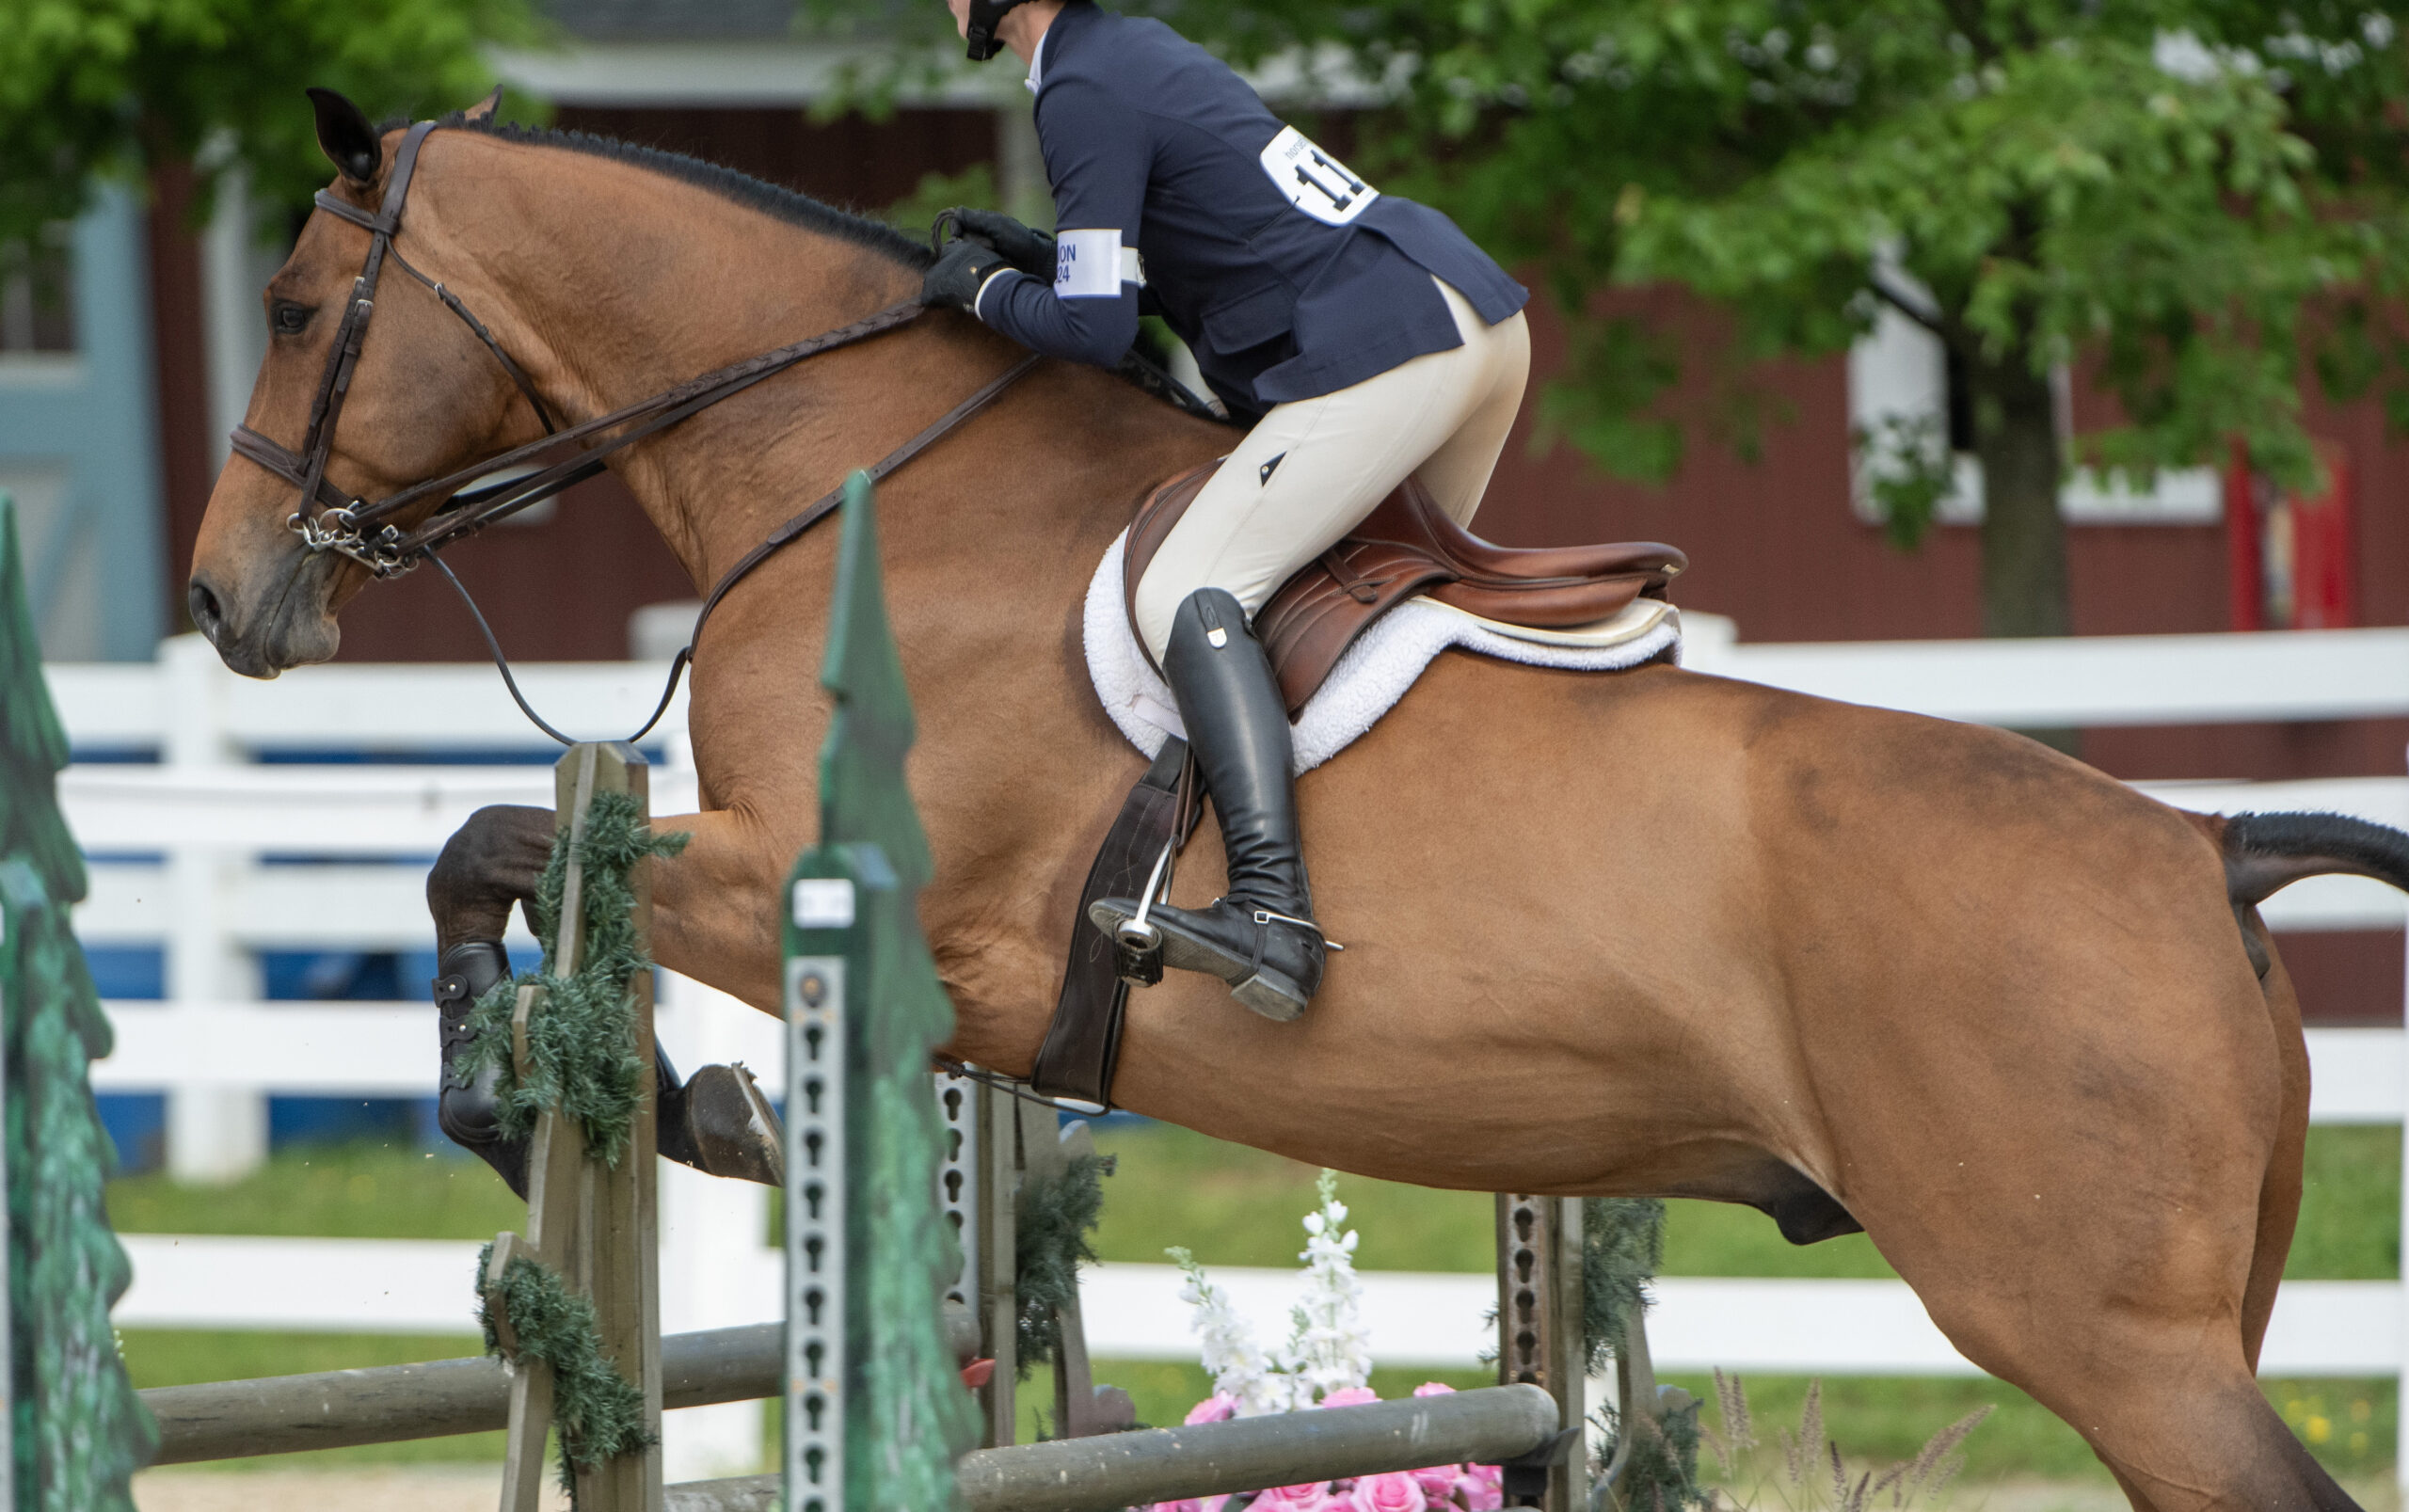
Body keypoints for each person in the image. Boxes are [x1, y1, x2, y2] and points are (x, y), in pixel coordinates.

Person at [929, 0, 1530, 1022]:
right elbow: (1220, 244)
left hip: (1393, 349)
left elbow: (1093, 329)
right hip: (1465, 321)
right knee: (1353, 618)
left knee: (1185, 592)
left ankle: (1271, 914)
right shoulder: (1129, 50)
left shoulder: (1078, 83)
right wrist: (1045, 253)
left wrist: (986, 292)